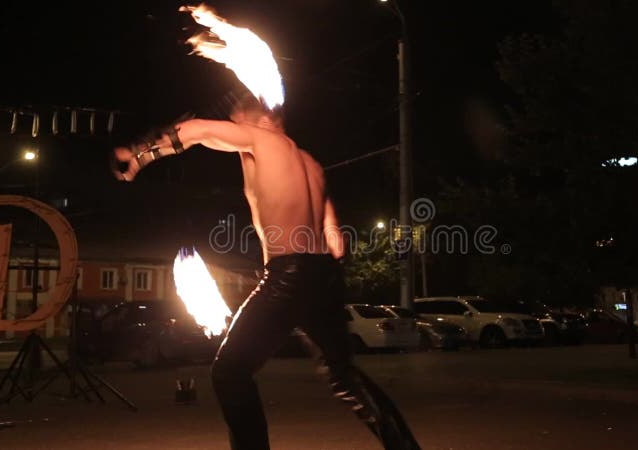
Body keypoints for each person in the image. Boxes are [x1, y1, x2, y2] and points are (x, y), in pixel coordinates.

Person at [112, 92, 421, 450]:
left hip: (289, 273)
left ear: (261, 121)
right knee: (344, 374)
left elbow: (198, 130)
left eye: (238, 124)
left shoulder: (264, 140)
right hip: (324, 275)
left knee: (229, 371)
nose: (235, 135)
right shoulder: (311, 164)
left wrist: (138, 154)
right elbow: (335, 240)